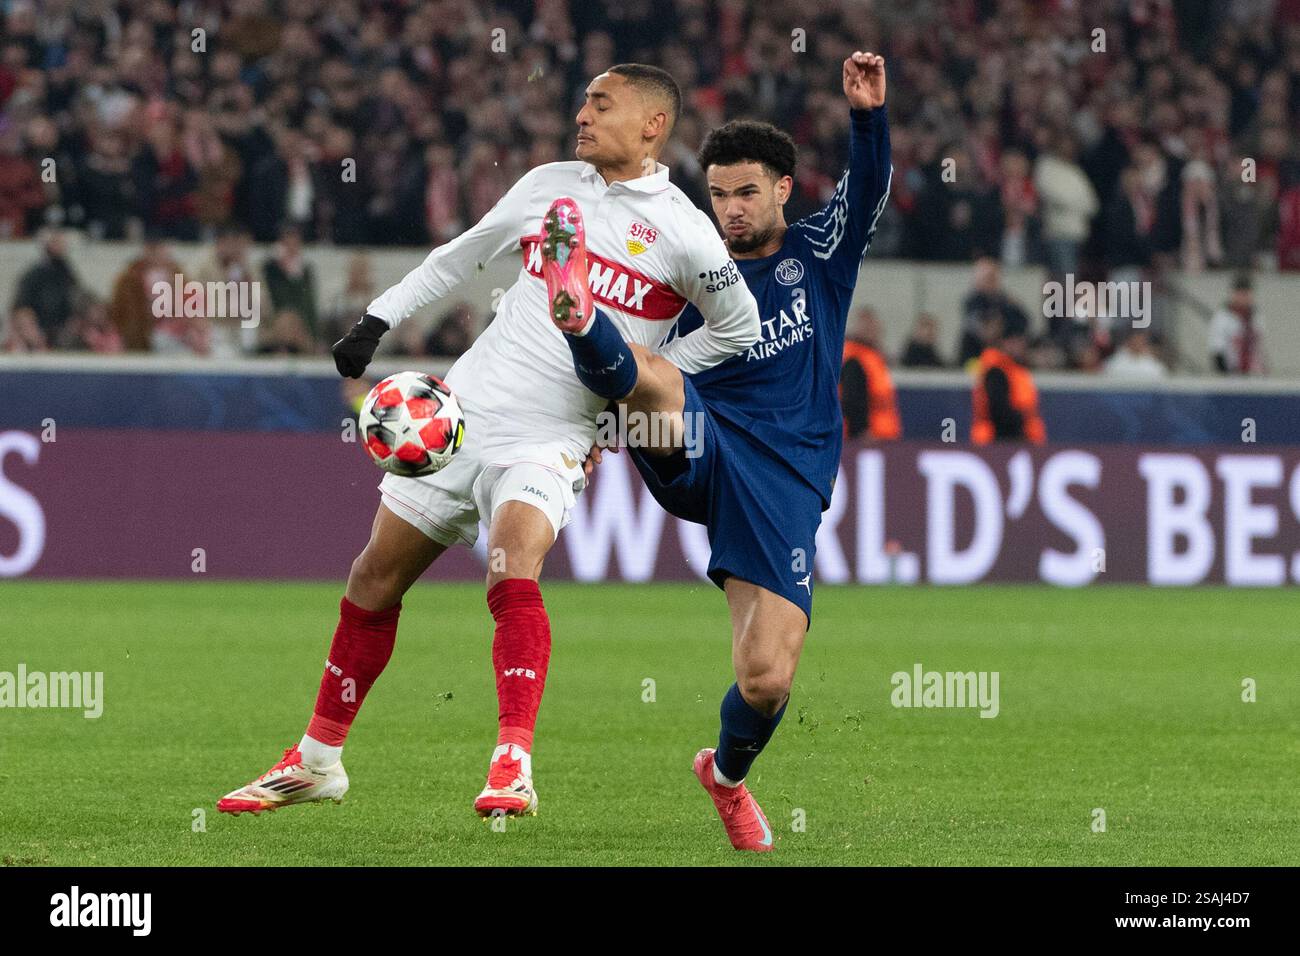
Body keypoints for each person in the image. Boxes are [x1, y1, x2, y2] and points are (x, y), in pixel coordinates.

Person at [216, 64, 760, 820]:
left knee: (510, 571)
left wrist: (639, 381)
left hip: (551, 435)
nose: (582, 113)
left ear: (651, 124)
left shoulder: (684, 229)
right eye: (582, 101)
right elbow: (464, 255)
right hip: (464, 412)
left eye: (601, 104)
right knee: (372, 579)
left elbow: (741, 331)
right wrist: (376, 320)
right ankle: (317, 762)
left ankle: (513, 763)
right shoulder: (547, 185)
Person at [551, 52, 890, 851]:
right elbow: (641, 366)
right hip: (697, 439)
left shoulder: (821, 255)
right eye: (719, 195)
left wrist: (867, 117)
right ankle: (574, 307)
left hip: (785, 478)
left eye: (746, 193)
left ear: (781, 189)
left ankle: (727, 775)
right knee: (660, 386)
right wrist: (597, 428)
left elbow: (867, 191)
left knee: (767, 679)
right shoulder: (685, 276)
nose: (732, 210)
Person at [970, 311, 1046, 444]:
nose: (1021, 346)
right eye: (1017, 341)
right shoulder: (997, 371)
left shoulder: (1014, 369)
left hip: (1014, 439)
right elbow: (998, 411)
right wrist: (1022, 419)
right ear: (1006, 343)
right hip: (998, 441)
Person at [840, 307, 901, 441]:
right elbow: (852, 399)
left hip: (883, 435)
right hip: (867, 437)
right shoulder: (855, 358)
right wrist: (861, 431)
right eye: (867, 327)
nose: (872, 330)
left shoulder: (872, 356)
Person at [1208, 273, 1266, 375]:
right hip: (1231, 373)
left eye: (1247, 293)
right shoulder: (1222, 318)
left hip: (1252, 373)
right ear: (1233, 294)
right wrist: (1227, 377)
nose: (1244, 298)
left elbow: (1257, 347)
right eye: (1241, 294)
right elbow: (1217, 352)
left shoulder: (1256, 316)